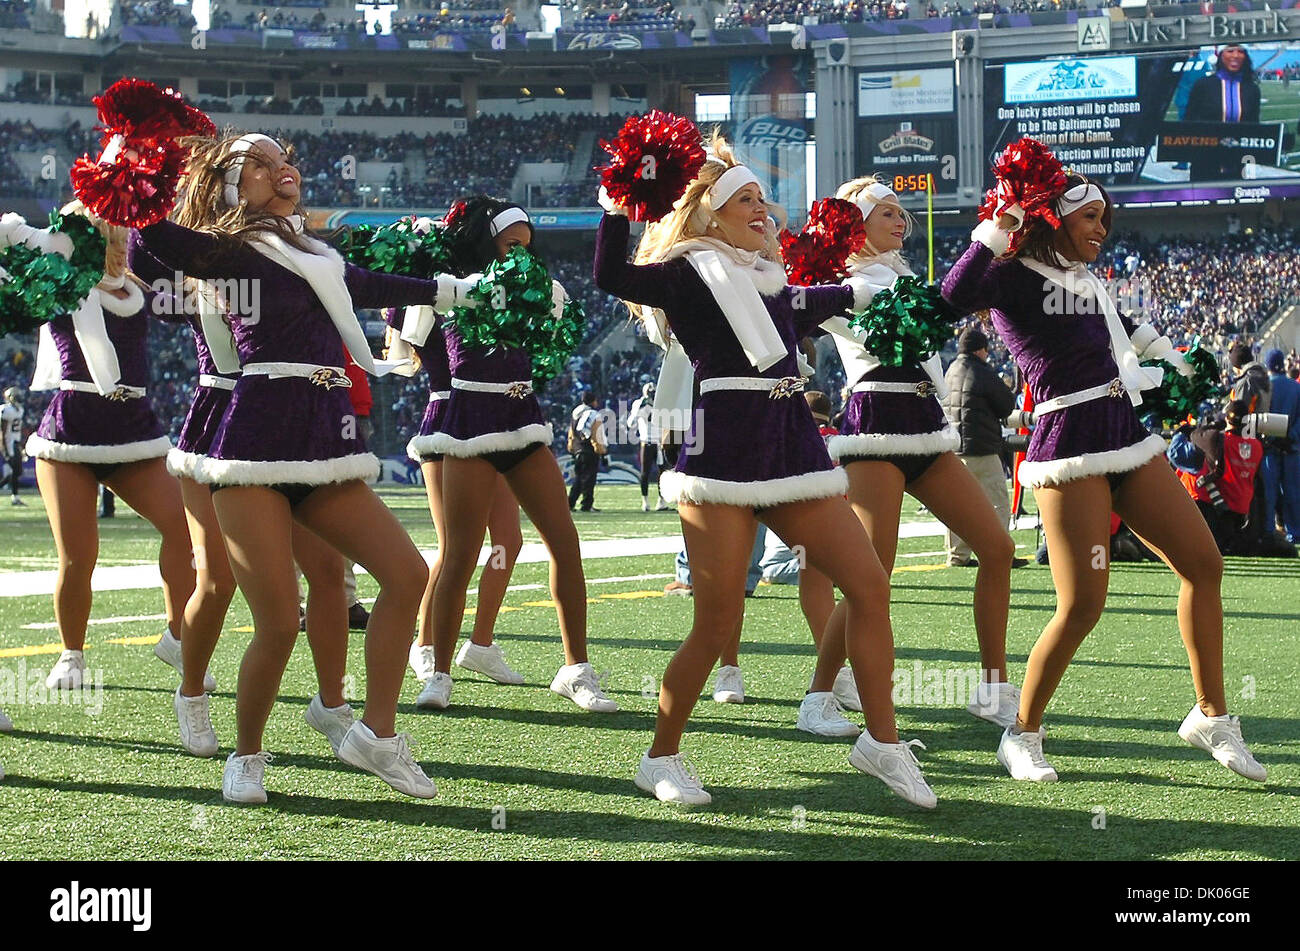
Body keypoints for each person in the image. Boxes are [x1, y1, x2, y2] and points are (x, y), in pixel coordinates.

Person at [595, 134, 936, 808]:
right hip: (723, 454)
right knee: (716, 622)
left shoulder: (774, 279)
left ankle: (882, 742)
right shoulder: (689, 272)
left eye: (761, 199)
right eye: (744, 200)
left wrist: (902, 293)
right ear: (709, 215)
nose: (761, 209)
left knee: (868, 581)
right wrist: (617, 200)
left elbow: (834, 298)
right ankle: (659, 755)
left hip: (792, 447)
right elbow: (613, 276)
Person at [136, 131, 448, 802]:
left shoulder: (319, 256)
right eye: (263, 165)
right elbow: (147, 242)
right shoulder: (226, 252)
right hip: (250, 441)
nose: (285, 170)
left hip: (322, 440)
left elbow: (373, 284)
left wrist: (460, 291)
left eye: (288, 160)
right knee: (278, 620)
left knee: (404, 573)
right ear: (232, 187)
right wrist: (137, 171)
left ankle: (376, 732)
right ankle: (246, 755)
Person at [942, 168, 1266, 784]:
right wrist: (996, 228)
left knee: (1204, 564)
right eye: (1090, 217)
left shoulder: (1084, 279)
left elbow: (1127, 330)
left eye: (1105, 220)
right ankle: (1023, 732)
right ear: (1053, 219)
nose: (1101, 229)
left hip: (1126, 435)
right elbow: (953, 298)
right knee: (1083, 603)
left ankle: (1211, 715)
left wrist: (1172, 357)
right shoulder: (1012, 275)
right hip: (1069, 446)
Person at [129, 228, 354, 758]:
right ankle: (191, 691)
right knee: (216, 578)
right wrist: (151, 181)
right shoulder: (202, 260)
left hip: (289, 421)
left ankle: (332, 702)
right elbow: (146, 257)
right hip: (219, 422)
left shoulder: (292, 255)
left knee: (327, 570)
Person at [810, 176, 1024, 731]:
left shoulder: (899, 274)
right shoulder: (846, 281)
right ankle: (819, 696)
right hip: (876, 425)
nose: (901, 220)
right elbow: (943, 304)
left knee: (997, 548)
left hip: (927, 425)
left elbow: (945, 303)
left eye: (902, 212)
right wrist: (989, 238)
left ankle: (993, 687)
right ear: (857, 225)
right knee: (870, 576)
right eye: (887, 213)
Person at [422, 196, 616, 714]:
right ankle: (439, 670)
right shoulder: (457, 287)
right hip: (469, 427)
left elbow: (560, 334)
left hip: (523, 421)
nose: (521, 255)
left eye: (528, 246)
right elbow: (408, 306)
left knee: (564, 540)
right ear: (486, 241)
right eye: (512, 244)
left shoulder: (541, 289)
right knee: (460, 552)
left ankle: (576, 669)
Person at [9, 207, 205, 696]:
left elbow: (195, 296)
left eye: (123, 241)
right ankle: (71, 654)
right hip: (70, 433)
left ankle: (178, 637)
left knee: (185, 530)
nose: (121, 253)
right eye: (110, 243)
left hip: (134, 429)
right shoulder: (61, 287)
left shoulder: (140, 288)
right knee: (79, 557)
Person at [385, 301, 528, 697]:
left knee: (507, 540)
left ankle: (481, 643)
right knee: (453, 547)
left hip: (494, 417)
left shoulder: (491, 285)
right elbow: (399, 322)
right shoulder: (430, 290)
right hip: (449, 416)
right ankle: (425, 643)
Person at [942, 326, 1027, 570]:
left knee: (956, 506)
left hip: (955, 449)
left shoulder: (950, 371)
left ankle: (957, 555)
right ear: (980, 350)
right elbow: (1005, 406)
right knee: (996, 501)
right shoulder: (981, 371)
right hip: (982, 447)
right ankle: (1000, 553)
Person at [1169, 401, 1263, 553]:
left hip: (1220, 506)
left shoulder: (1219, 440)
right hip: (1242, 508)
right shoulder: (1256, 446)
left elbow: (1195, 436)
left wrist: (1184, 432)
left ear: (1227, 418)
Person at [1183, 44, 1261, 181]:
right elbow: (1188, 124)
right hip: (1205, 163)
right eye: (1230, 51)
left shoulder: (1252, 89)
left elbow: (1254, 127)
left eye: (1240, 51)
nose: (1235, 55)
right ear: (1220, 55)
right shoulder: (1203, 85)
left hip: (1237, 164)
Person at [1261, 348, 1300, 544]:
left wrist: (1274, 436)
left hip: (1269, 448)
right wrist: (1291, 435)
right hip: (1292, 449)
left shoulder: (1265, 387)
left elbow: (1258, 419)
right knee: (1292, 492)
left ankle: (1269, 531)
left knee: (1269, 493)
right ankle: (1295, 532)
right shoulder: (1295, 387)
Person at [629, 381, 667, 511]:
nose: (653, 395)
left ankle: (661, 501)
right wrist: (641, 406)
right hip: (647, 441)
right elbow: (631, 423)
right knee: (645, 472)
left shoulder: (661, 403)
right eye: (651, 393)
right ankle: (645, 501)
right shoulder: (639, 404)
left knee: (663, 473)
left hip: (659, 443)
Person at [567, 388, 605, 512]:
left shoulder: (575, 412)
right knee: (589, 478)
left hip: (578, 449)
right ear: (592, 401)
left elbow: (571, 432)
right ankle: (586, 504)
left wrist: (571, 446)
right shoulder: (593, 414)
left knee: (579, 478)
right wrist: (600, 448)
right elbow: (595, 433)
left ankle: (570, 503)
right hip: (589, 449)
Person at [1, 387, 23, 505]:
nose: (18, 397)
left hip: (15, 442)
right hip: (7, 443)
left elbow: (17, 431)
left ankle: (14, 496)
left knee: (18, 471)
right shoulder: (6, 410)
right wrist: (4, 449)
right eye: (15, 395)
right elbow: (2, 432)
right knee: (16, 470)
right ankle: (15, 497)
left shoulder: (20, 409)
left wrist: (20, 445)